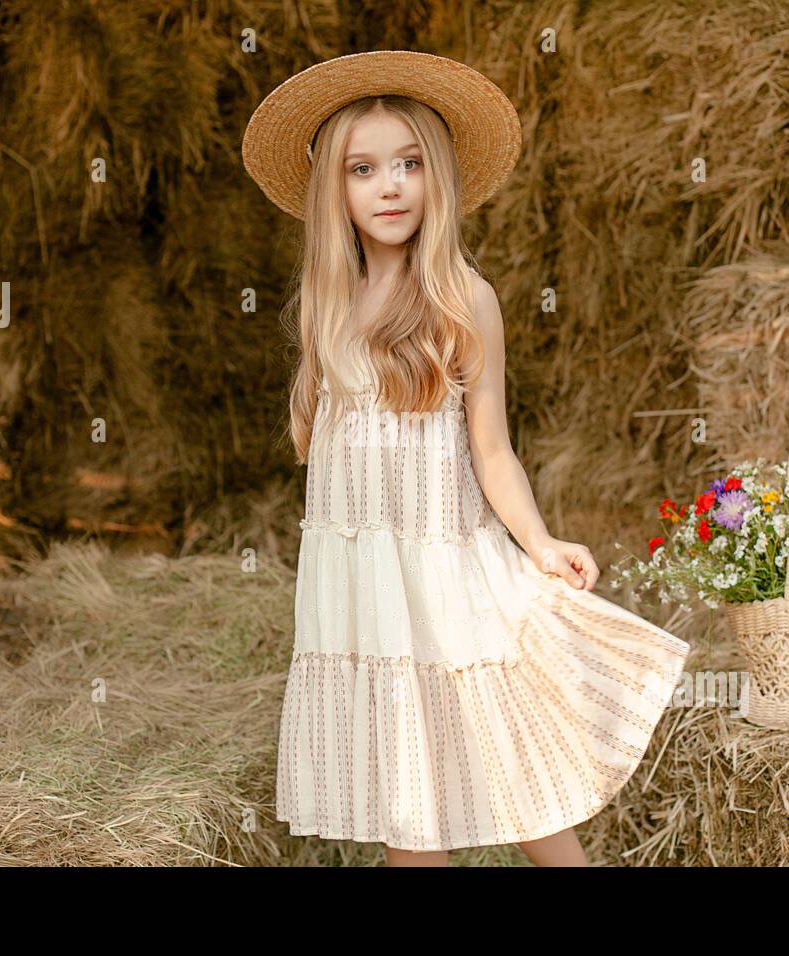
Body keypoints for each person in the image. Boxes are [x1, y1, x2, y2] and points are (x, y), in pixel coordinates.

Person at [242, 50, 691, 866]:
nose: (390, 185)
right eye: (365, 168)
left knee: (517, 767)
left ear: (437, 179)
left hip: (447, 575)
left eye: (410, 164)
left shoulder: (460, 298)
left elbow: (492, 449)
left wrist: (540, 542)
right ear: (333, 190)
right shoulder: (324, 305)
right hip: (365, 589)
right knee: (407, 796)